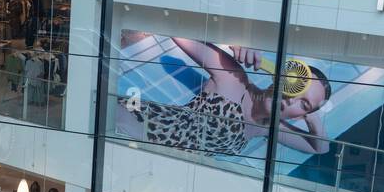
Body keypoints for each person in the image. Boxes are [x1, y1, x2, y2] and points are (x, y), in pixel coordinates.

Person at [115, 38, 332, 158]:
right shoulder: (233, 78)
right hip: (136, 127)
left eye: (303, 102)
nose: (291, 99)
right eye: (295, 84)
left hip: (155, 163)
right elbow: (178, 31)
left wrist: (311, 114)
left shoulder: (266, 127)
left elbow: (320, 148)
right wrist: (233, 37)